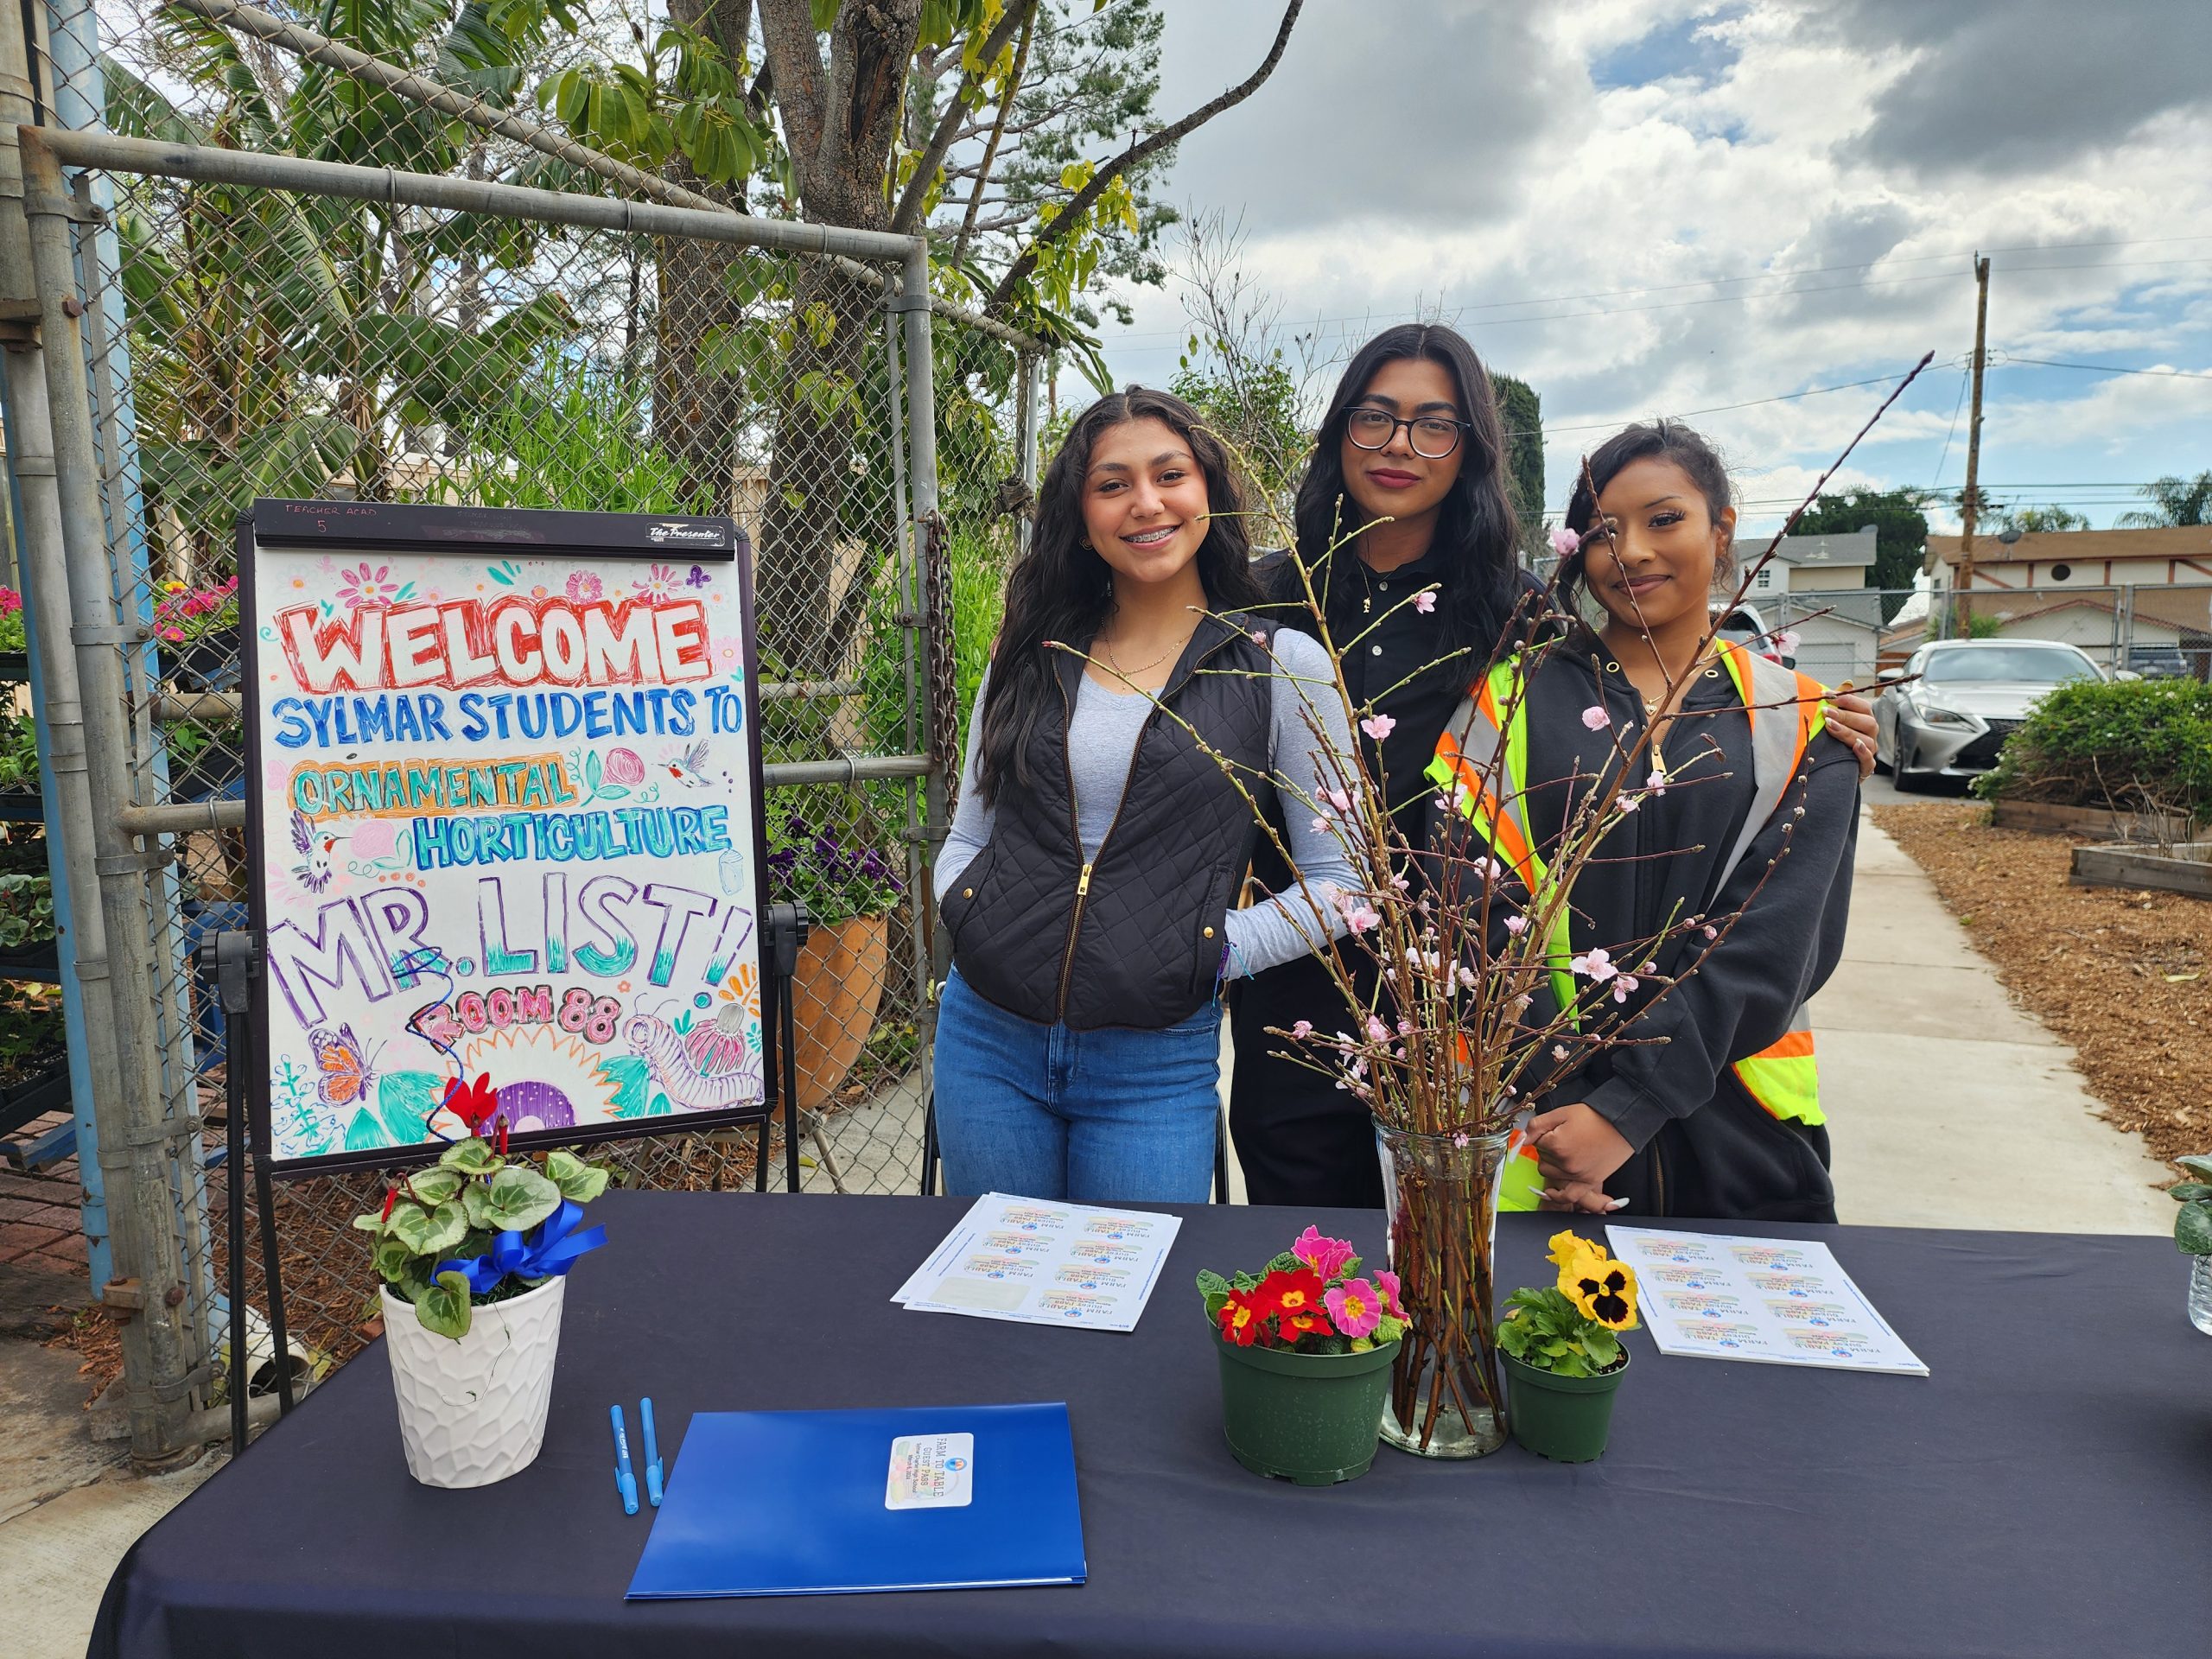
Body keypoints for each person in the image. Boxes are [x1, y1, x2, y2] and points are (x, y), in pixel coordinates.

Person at [1230, 322, 1881, 1210]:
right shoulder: (1256, 599)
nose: (1398, 445)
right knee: (1306, 1266)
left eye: (1434, 424)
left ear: (1470, 451)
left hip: (1467, 1023)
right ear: (1338, 428)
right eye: (1374, 417)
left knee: (1439, 1273)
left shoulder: (1516, 621)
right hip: (1300, 989)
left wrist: (1817, 718)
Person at [932, 386, 1357, 1205]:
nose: (1146, 503)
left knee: (1129, 1306)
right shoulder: (1031, 653)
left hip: (1153, 1064)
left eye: (1170, 474)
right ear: (1083, 517)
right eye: (1112, 483)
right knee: (999, 1299)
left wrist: (1210, 949)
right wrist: (971, 915)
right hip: (987, 1040)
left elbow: (1343, 883)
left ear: (1210, 494)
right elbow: (966, 833)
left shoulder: (1281, 666)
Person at [1432, 420, 1857, 1221]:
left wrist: (1628, 1111)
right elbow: (1469, 911)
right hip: (1536, 1139)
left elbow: (1778, 942)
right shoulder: (1502, 706)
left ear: (1722, 530)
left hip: (1742, 1140)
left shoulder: (1802, 723)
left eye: (1664, 519)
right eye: (1601, 531)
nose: (1630, 551)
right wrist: (1572, 1110)